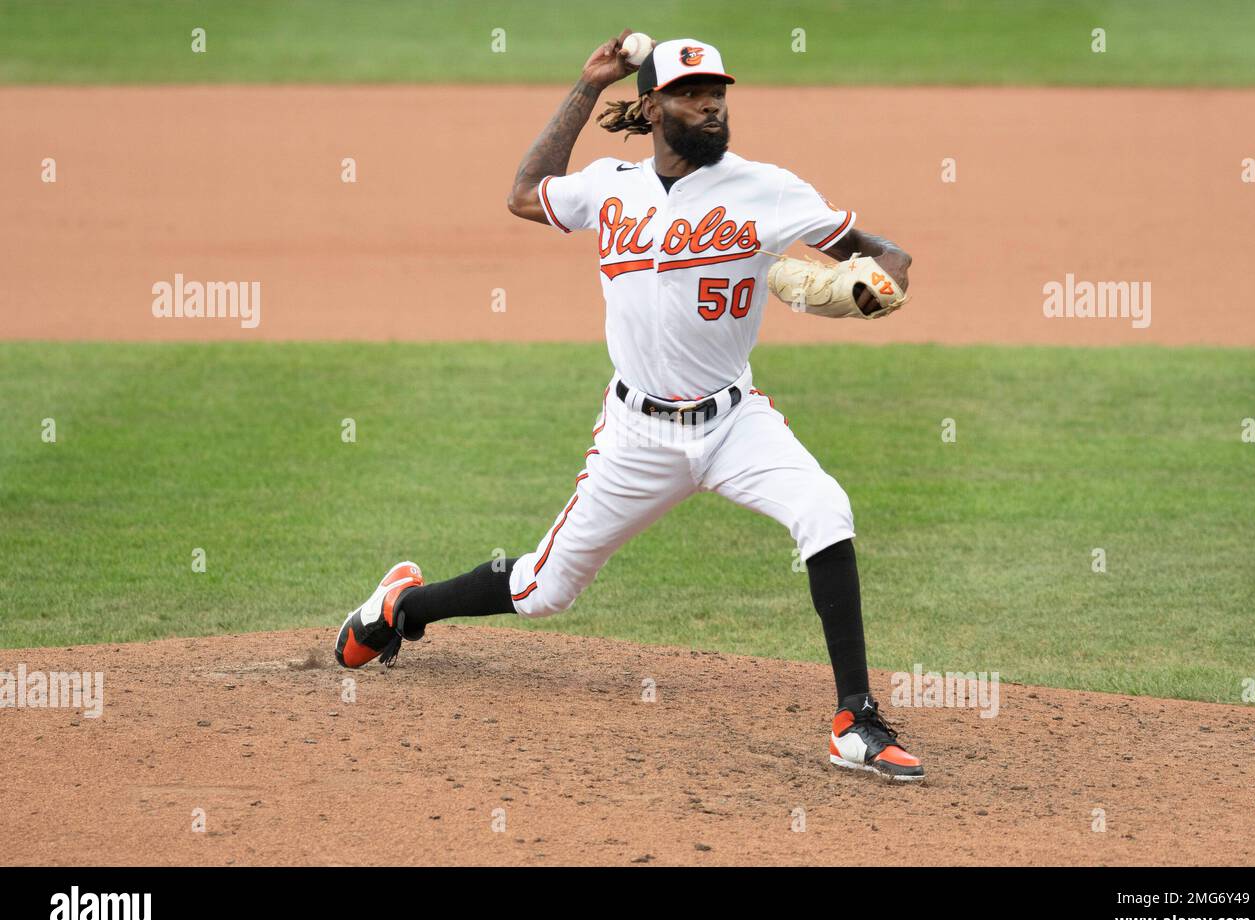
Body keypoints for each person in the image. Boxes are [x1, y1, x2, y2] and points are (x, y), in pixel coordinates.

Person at [334, 32, 923, 782]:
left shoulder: (768, 189)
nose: (710, 105)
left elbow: (883, 250)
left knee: (825, 508)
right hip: (635, 435)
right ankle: (402, 609)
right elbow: (523, 195)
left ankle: (854, 721)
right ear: (651, 107)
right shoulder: (610, 185)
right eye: (688, 94)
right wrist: (586, 86)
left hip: (735, 421)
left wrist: (880, 283)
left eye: (717, 93)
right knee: (542, 591)